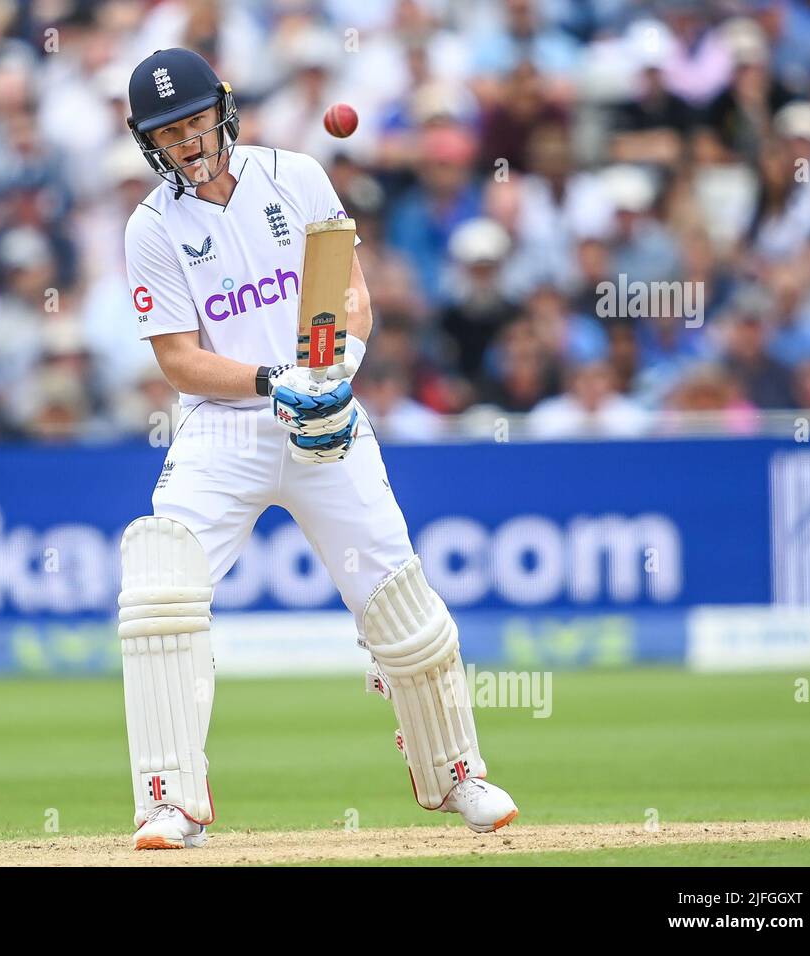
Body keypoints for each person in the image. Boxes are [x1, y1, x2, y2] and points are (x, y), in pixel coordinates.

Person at [118, 48, 517, 852]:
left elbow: (350, 297)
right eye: (170, 133)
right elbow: (178, 359)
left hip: (325, 415)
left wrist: (338, 374)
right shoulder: (151, 227)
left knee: (400, 601)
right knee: (160, 586)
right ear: (147, 142)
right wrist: (274, 379)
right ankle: (169, 800)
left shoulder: (295, 176)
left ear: (224, 112)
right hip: (224, 425)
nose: (188, 143)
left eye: (197, 122)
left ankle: (456, 772)